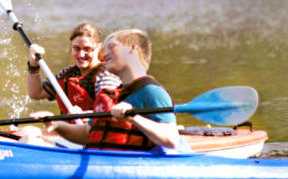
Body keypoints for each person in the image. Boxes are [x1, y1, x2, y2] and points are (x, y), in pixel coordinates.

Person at [37, 28, 182, 151]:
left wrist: (133, 117)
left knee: (31, 140)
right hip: (101, 160)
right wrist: (56, 124)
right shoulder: (112, 95)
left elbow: (171, 139)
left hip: (127, 166)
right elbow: (86, 134)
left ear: (132, 48)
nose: (104, 53)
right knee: (30, 137)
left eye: (111, 46)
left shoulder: (151, 92)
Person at [27, 21, 121, 113]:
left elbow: (106, 110)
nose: (81, 54)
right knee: (29, 129)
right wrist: (33, 65)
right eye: (76, 48)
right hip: (67, 127)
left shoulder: (106, 74)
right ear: (71, 47)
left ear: (99, 48)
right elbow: (36, 93)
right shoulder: (68, 73)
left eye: (87, 49)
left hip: (93, 127)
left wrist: (83, 115)